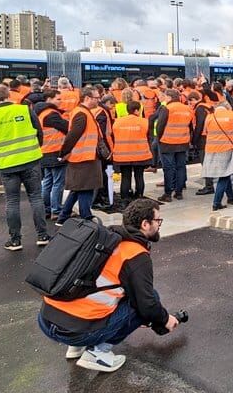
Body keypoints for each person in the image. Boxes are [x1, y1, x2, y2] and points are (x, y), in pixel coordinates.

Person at [37, 198, 179, 372]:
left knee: (116, 293)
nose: (159, 225)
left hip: (46, 319)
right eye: (158, 221)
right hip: (76, 332)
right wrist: (165, 319)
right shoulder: (135, 254)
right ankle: (97, 353)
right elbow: (147, 304)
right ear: (145, 224)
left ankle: (75, 348)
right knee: (150, 298)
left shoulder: (106, 238)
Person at [0, 85, 49, 251]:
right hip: (30, 159)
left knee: (12, 201)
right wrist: (36, 148)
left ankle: (15, 240)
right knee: (36, 197)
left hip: (7, 164)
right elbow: (39, 132)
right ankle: (42, 235)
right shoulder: (25, 110)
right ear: (8, 95)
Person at [57, 87, 102, 224]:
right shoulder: (82, 114)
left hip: (82, 156)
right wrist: (63, 153)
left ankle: (63, 217)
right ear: (87, 98)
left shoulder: (82, 112)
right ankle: (86, 218)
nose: (98, 100)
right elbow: (72, 136)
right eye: (96, 98)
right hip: (84, 157)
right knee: (86, 189)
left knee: (78, 189)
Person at [202, 99, 233, 210]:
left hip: (211, 149)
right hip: (226, 148)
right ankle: (216, 203)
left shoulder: (209, 117)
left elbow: (205, 131)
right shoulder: (231, 115)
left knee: (226, 173)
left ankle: (231, 198)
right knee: (224, 175)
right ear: (227, 107)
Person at [35, 89, 68, 220]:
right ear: (49, 99)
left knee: (47, 181)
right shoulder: (51, 114)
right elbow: (67, 127)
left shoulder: (40, 113)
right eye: (58, 99)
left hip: (44, 151)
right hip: (55, 151)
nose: (61, 102)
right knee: (58, 183)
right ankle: (57, 210)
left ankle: (47, 209)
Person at [154, 89, 191, 202]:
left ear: (169, 97)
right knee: (181, 167)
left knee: (169, 168)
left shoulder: (167, 108)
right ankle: (179, 193)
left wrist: (159, 138)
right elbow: (190, 125)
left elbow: (160, 125)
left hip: (168, 142)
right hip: (183, 141)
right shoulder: (187, 108)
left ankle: (168, 194)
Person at [112, 101, 152, 203]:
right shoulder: (144, 122)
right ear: (137, 110)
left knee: (125, 177)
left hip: (122, 155)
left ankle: (124, 198)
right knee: (139, 176)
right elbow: (149, 137)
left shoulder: (117, 122)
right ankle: (139, 196)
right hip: (140, 155)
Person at [191, 85, 217, 196]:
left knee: (205, 163)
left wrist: (194, 140)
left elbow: (199, 125)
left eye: (190, 101)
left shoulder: (200, 108)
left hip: (203, 138)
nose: (190, 104)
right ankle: (210, 184)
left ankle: (209, 186)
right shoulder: (209, 107)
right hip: (212, 136)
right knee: (209, 162)